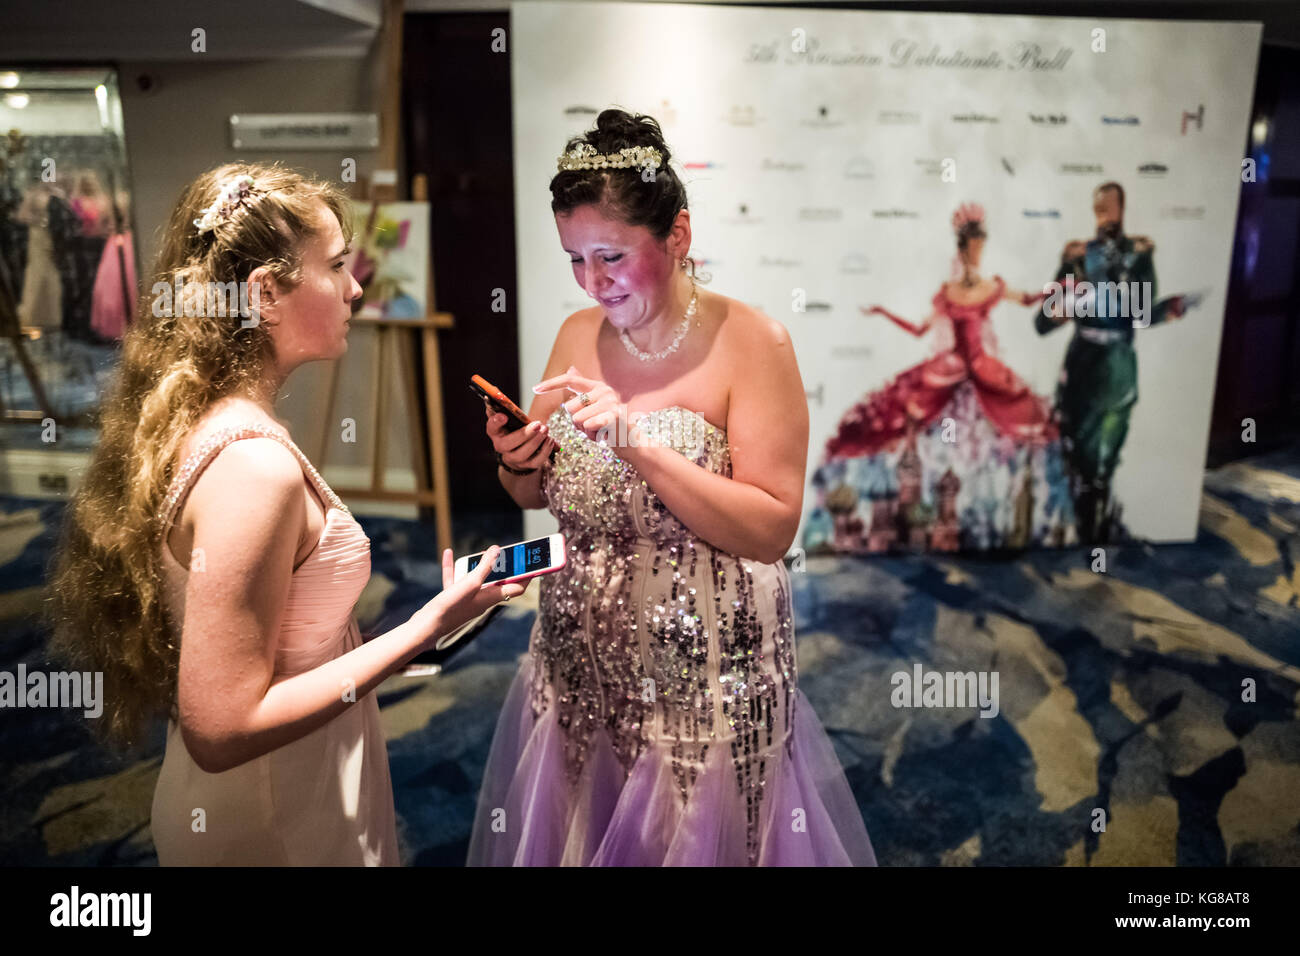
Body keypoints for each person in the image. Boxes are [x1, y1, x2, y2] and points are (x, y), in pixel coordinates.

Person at [46, 162, 526, 865]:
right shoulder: (254, 472)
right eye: (336, 266)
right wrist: (425, 629)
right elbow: (224, 728)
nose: (357, 286)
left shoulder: (208, 421)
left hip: (285, 787)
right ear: (265, 295)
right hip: (273, 822)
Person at [469, 109, 876, 866]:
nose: (595, 282)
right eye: (575, 260)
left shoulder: (753, 344)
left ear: (678, 235)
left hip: (707, 679)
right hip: (579, 665)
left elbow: (771, 529)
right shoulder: (574, 334)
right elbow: (533, 495)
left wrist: (637, 445)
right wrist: (520, 458)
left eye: (613, 256)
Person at [808, 203, 1073, 553]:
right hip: (950, 367)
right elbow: (920, 329)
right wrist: (883, 312)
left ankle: (1017, 520)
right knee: (898, 410)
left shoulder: (991, 286)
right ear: (962, 250)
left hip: (981, 367)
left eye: (980, 249)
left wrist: (1059, 287)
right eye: (972, 248)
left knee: (1028, 420)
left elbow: (1026, 300)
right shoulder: (948, 293)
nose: (976, 255)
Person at [1038, 182, 1187, 544]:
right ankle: (1085, 530)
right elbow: (1045, 321)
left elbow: (1142, 310)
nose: (1104, 216)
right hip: (1083, 369)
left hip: (1119, 369)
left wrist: (1165, 309)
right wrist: (1061, 296)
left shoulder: (1139, 254)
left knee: (1105, 463)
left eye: (1110, 208)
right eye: (1098, 209)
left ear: (1123, 209)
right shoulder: (1077, 256)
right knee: (1083, 458)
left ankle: (1095, 537)